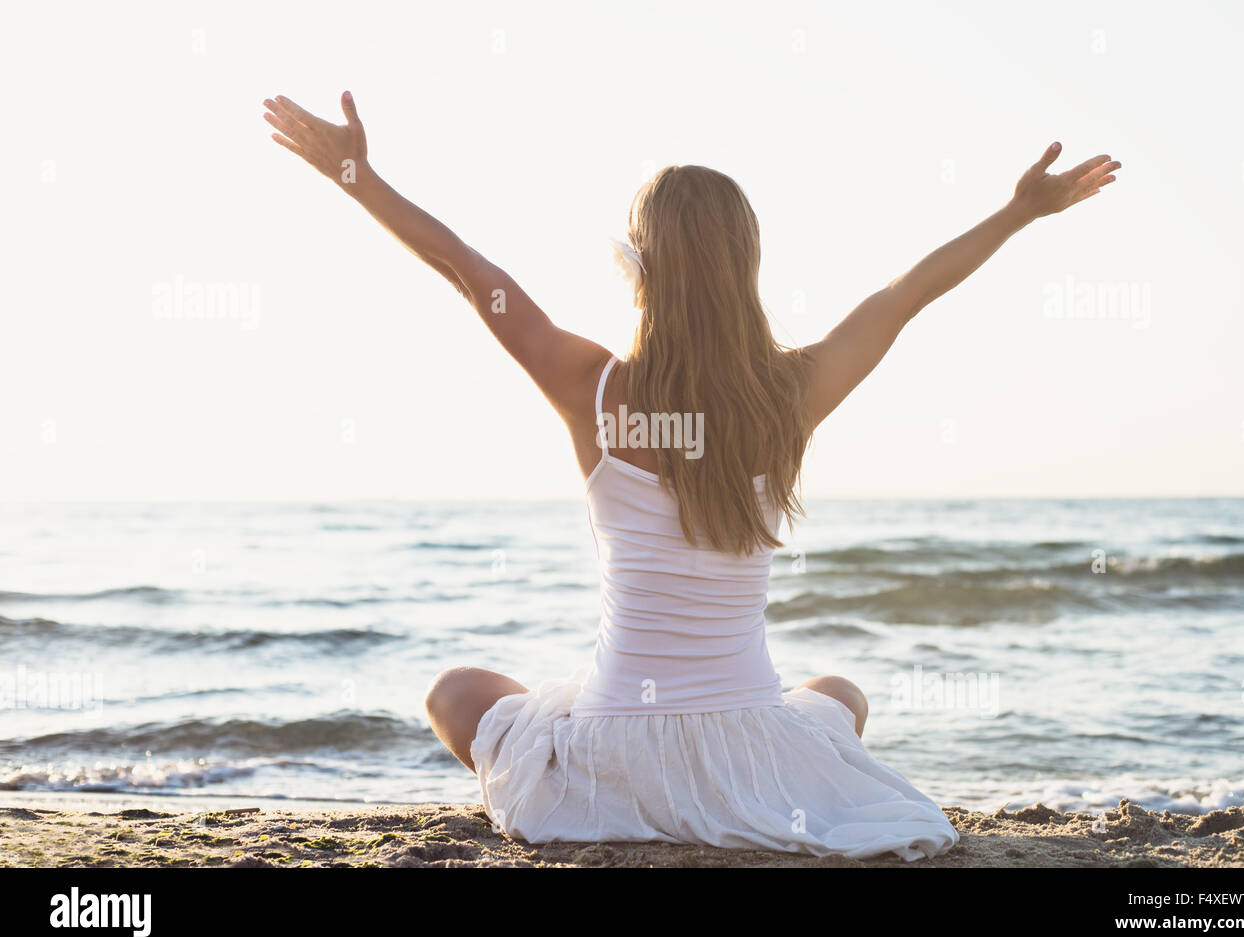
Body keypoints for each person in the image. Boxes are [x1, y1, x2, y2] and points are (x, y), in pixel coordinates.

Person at [262, 91, 1119, 860]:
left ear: (640, 267)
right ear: (743, 264)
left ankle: (617, 774)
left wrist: (355, 176)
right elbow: (905, 295)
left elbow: (471, 274)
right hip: (748, 744)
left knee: (454, 693)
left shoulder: (591, 387)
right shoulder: (791, 394)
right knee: (840, 697)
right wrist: (1017, 213)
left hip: (613, 750)